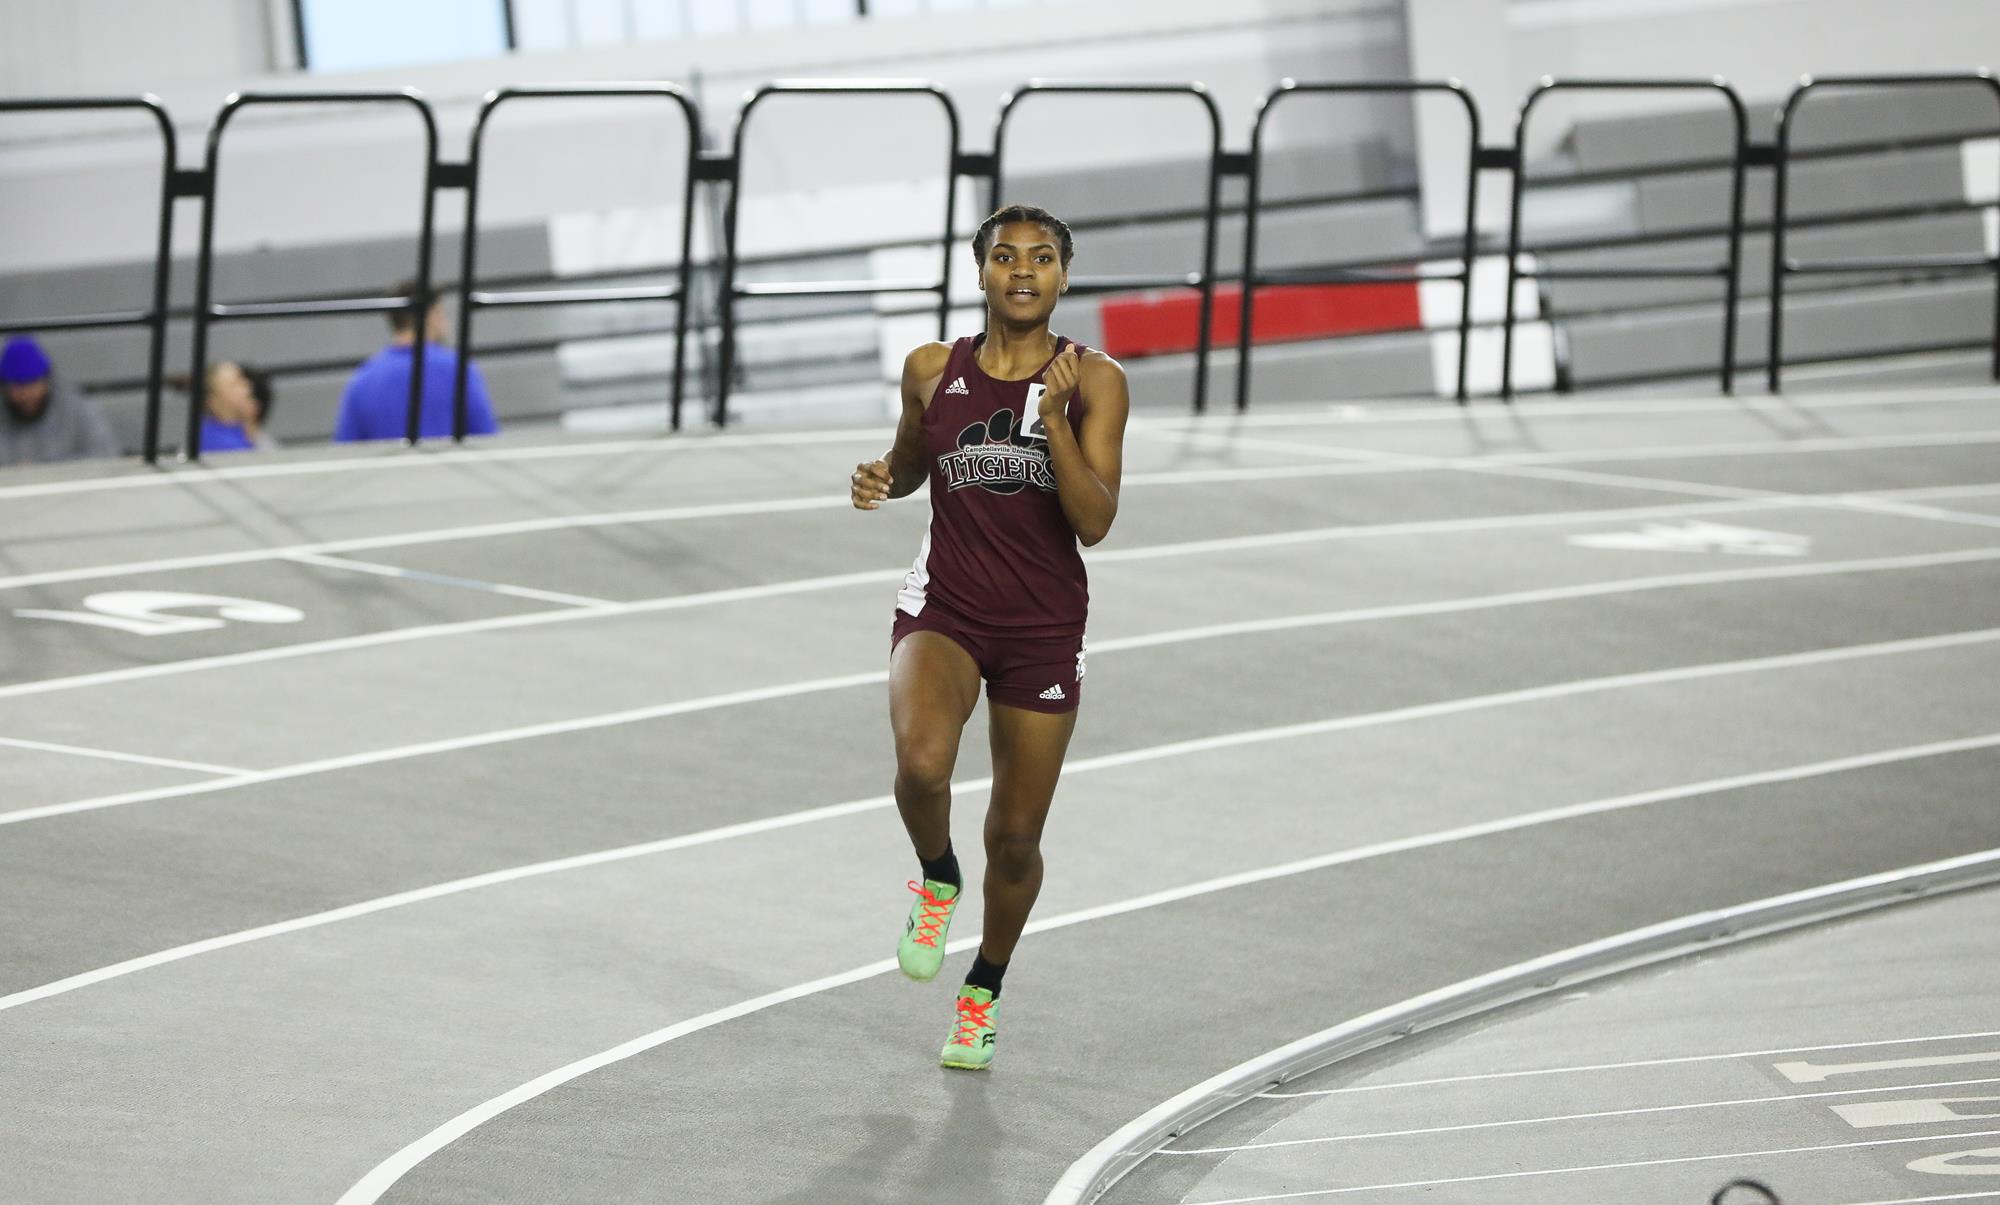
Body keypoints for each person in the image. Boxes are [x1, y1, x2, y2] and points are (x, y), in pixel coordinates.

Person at [850, 204, 1130, 1071]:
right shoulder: (933, 370)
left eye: (1041, 258)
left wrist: (1050, 419)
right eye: (1004, 256)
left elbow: (1095, 522)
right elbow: (911, 462)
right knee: (923, 763)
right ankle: (937, 875)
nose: (1022, 270)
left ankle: (983, 990)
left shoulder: (1097, 380)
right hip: (948, 609)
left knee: (1015, 836)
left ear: (1063, 276)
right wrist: (880, 476)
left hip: (1044, 628)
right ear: (978, 272)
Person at [333, 282, 499, 442]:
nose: (446, 323)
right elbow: (485, 438)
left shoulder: (363, 379)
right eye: (442, 313)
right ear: (432, 316)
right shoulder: (459, 370)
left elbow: (346, 450)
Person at [0, 335, 120, 465]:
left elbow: (106, 454)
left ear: (47, 380)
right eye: (18, 386)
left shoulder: (79, 410)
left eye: (32, 383)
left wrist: (44, 467)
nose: (27, 395)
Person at [197, 361, 279, 453]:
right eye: (235, 384)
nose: (248, 388)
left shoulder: (247, 434)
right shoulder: (215, 443)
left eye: (243, 380)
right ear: (212, 399)